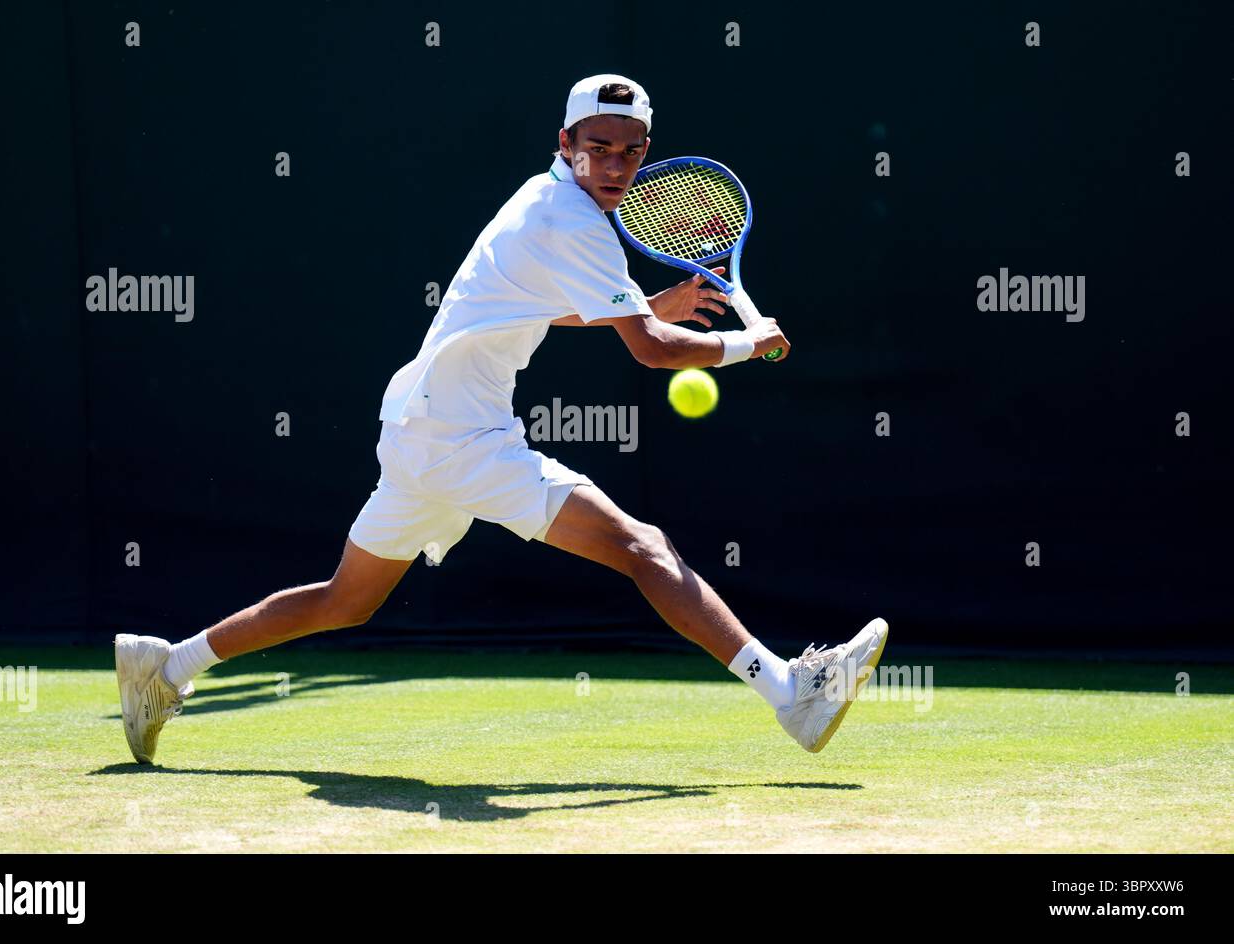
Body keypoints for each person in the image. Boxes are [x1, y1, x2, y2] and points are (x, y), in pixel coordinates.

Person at [116, 74, 887, 765]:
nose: (615, 166)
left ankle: (167, 666)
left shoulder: (548, 197)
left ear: (646, 150)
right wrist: (744, 344)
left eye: (630, 151)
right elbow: (650, 353)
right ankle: (791, 693)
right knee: (641, 547)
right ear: (566, 143)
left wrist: (646, 307)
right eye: (598, 148)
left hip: (423, 428)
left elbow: (546, 309)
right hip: (459, 439)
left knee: (343, 601)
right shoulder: (572, 221)